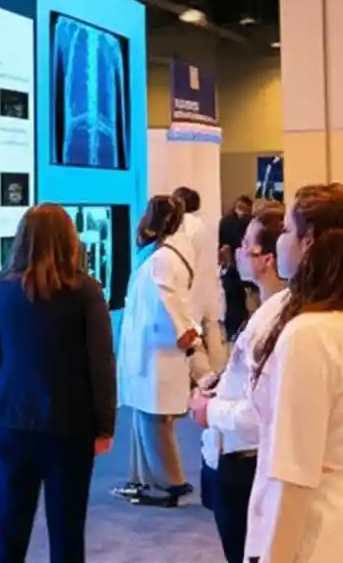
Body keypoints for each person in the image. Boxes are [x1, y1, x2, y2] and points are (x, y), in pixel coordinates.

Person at [245, 186, 343, 563]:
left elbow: (294, 474)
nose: (280, 241)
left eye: (286, 230)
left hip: (316, 529)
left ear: (308, 242)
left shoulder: (308, 334)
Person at [0, 204, 117, 563]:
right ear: (69, 240)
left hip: (11, 420)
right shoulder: (86, 291)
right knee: (67, 530)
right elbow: (101, 363)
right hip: (69, 427)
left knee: (8, 526)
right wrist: (105, 425)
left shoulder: (2, 287)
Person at [189, 207, 287, 563]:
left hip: (247, 457)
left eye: (247, 245)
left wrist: (209, 409)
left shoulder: (280, 320)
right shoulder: (267, 311)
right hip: (234, 452)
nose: (239, 252)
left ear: (267, 259)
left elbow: (260, 412)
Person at [116, 195, 213, 507]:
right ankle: (145, 481)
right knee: (145, 417)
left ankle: (170, 484)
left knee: (154, 419)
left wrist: (188, 339)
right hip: (151, 349)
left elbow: (172, 304)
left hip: (158, 352)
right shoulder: (163, 253)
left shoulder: (164, 258)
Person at [173, 186, 227, 372]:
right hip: (210, 284)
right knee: (213, 332)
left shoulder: (184, 227)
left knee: (193, 342)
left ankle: (204, 377)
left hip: (193, 288)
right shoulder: (207, 224)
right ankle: (218, 374)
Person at [218, 195, 255, 341]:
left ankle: (234, 331)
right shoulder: (240, 222)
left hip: (230, 266)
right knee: (238, 300)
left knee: (233, 300)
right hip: (236, 265)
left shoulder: (226, 221)